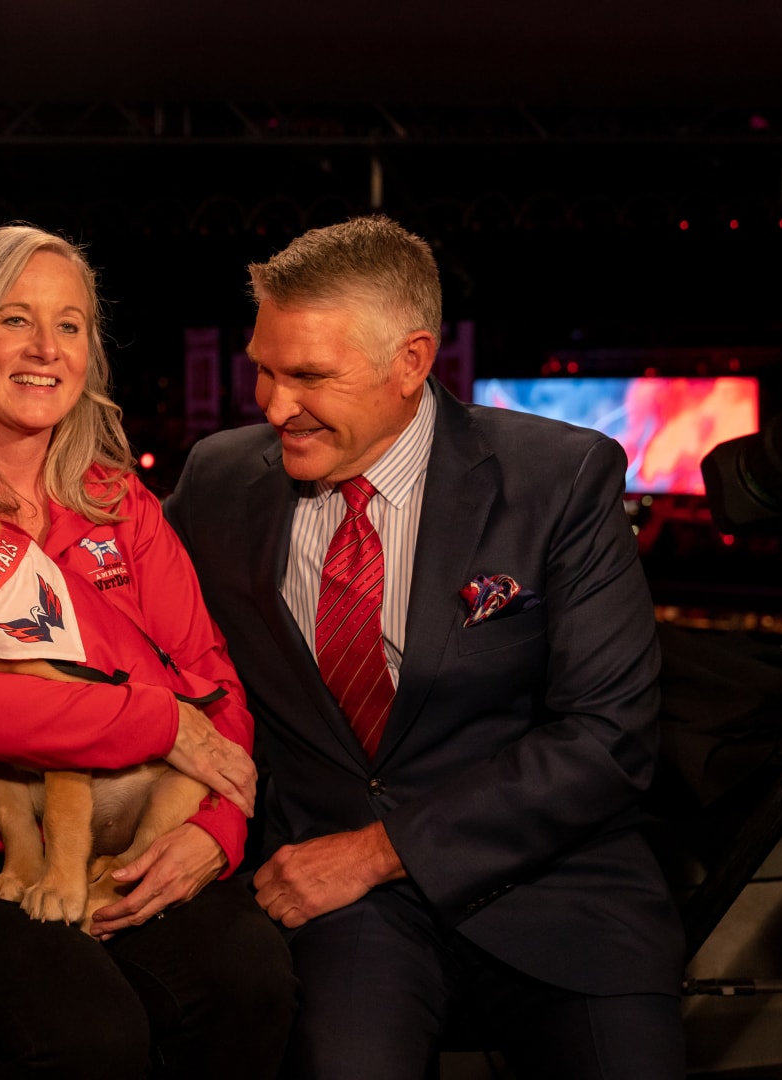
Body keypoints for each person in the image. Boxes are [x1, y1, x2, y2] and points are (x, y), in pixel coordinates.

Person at [164, 216, 686, 1079]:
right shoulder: (217, 480)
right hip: (336, 906)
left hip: (554, 886)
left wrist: (378, 850)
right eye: (263, 368)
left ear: (410, 362)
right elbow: (122, 627)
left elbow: (607, 739)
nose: (273, 405)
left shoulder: (558, 479)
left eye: (308, 376)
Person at [0, 224, 297, 1080]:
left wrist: (212, 832)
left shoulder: (118, 499)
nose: (45, 348)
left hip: (115, 829)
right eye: (15, 319)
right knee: (92, 1029)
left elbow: (210, 683)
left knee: (250, 978)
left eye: (69, 325)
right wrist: (152, 724)